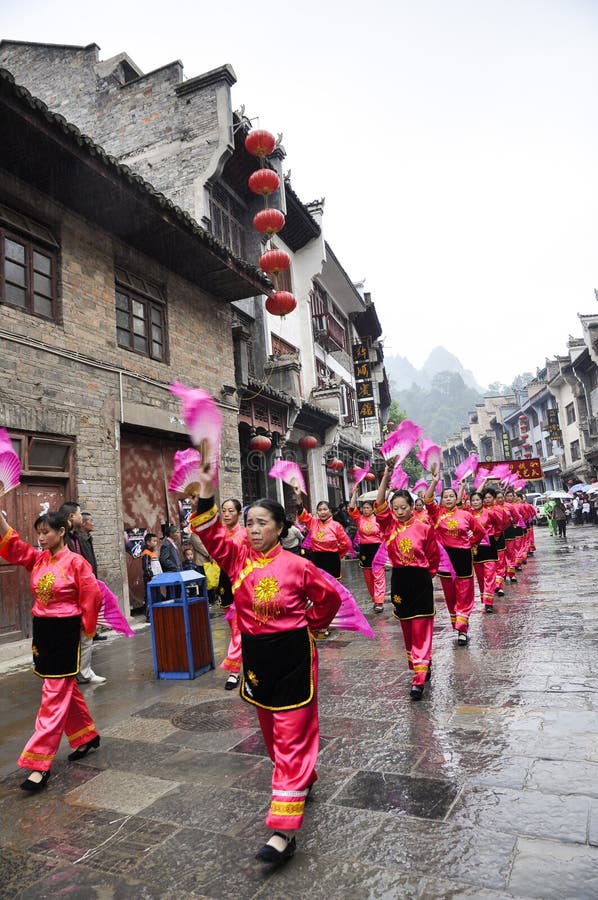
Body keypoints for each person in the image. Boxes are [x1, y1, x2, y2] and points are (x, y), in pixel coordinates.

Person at [190, 460, 341, 865]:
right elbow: (206, 528)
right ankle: (301, 778)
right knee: (272, 732)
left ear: (279, 528)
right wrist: (207, 484)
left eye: (262, 523)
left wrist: (310, 625)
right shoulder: (237, 562)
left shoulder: (299, 565)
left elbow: (331, 599)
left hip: (292, 654)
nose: (253, 529)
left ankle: (283, 829)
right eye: (249, 523)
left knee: (291, 732)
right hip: (257, 656)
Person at [0, 505, 102, 791]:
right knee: (62, 688)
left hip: (65, 632)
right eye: (39, 533)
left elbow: (91, 596)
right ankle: (85, 736)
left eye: (46, 532)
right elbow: (13, 545)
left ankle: (38, 763)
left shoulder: (77, 563)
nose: (41, 538)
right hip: (43, 631)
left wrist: (86, 630)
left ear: (61, 532)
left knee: (53, 695)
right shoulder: (38, 560)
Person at [375, 464, 439, 699]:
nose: (400, 511)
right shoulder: (388, 525)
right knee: (407, 627)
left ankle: (418, 679)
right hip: (400, 579)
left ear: (413, 506)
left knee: (421, 627)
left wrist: (427, 575)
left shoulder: (424, 528)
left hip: (420, 579)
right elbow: (379, 503)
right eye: (396, 508)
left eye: (404, 507)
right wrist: (385, 476)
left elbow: (433, 556)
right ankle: (421, 663)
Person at [424, 474, 485, 645]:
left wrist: (471, 543)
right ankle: (457, 627)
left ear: (456, 498)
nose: (449, 499)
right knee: (450, 596)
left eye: (451, 496)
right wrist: (435, 481)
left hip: (463, 556)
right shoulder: (437, 514)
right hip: (445, 559)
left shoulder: (466, 515)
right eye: (445, 496)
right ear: (441, 500)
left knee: (464, 594)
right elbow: (428, 500)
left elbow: (479, 532)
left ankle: (462, 627)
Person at [59, 502, 106, 685]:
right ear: (71, 517)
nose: (81, 517)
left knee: (86, 634)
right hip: (70, 593)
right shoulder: (62, 538)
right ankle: (70, 672)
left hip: (86, 592)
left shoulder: (80, 537)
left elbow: (89, 563)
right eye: (79, 514)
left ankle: (84, 672)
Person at [217, 498, 248, 689]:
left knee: (240, 628)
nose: (227, 514)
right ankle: (238, 667)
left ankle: (234, 671)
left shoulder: (245, 534)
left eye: (230, 511)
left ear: (238, 513)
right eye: (224, 511)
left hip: (242, 581)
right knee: (234, 627)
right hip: (225, 581)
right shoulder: (219, 533)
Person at [293, 485, 352, 579]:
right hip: (316, 559)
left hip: (332, 560)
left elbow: (346, 544)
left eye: (325, 509)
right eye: (320, 510)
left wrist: (337, 554)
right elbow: (301, 513)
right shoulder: (312, 522)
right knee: (318, 587)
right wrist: (298, 496)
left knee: (333, 587)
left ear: (330, 511)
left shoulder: (336, 525)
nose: (322, 512)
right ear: (317, 512)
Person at [348, 484, 385, 612]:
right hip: (365, 550)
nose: (366, 510)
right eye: (364, 508)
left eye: (368, 507)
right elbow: (351, 508)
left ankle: (380, 601)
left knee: (378, 574)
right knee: (368, 577)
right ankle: (375, 599)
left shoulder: (378, 519)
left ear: (372, 509)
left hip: (377, 549)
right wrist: (354, 494)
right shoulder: (359, 519)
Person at [470, 490, 502, 612]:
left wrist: (497, 536)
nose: (475, 502)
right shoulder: (468, 515)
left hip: (489, 546)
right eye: (473, 500)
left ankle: (489, 602)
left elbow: (499, 524)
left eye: (478, 500)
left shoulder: (490, 513)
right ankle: (485, 598)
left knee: (489, 574)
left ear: (482, 501)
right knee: (480, 576)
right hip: (475, 548)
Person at [80, 512, 105, 642]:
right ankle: (89, 632)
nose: (93, 523)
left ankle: (93, 632)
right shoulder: (80, 539)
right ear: (83, 523)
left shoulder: (88, 537)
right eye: (91, 521)